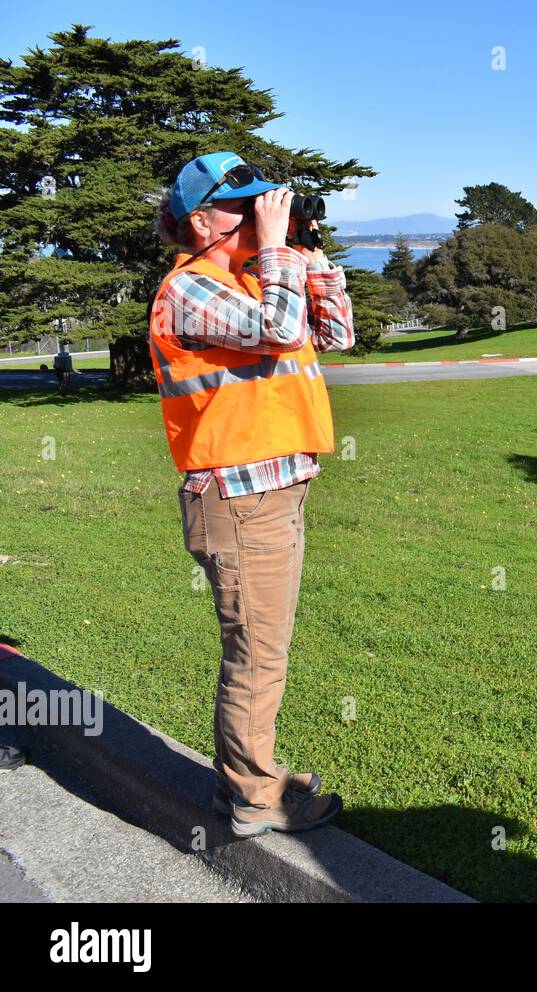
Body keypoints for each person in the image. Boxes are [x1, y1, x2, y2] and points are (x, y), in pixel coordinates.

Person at [151, 152, 353, 838]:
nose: (262, 216)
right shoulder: (191, 289)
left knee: (266, 646)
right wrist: (273, 253)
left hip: (274, 491)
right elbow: (280, 329)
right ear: (201, 220)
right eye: (246, 207)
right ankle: (252, 799)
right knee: (257, 652)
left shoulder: (250, 278)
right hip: (238, 502)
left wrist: (306, 252)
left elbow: (334, 334)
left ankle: (251, 777)